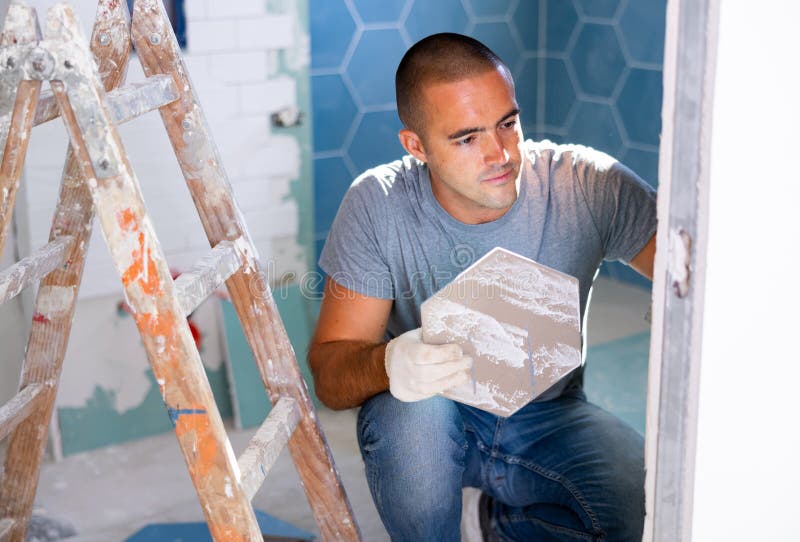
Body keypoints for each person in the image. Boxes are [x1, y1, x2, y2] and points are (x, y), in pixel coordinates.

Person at [308, 32, 657, 542]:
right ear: (416, 146)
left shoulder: (586, 184)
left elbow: (699, 274)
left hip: (549, 415)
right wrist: (388, 363)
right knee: (411, 418)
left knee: (639, 502)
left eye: (508, 124)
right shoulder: (377, 205)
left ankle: (495, 523)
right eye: (467, 138)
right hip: (434, 416)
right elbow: (330, 373)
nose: (500, 154)